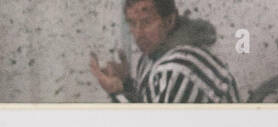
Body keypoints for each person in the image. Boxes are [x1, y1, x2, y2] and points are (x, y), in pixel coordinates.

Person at [89, 0, 240, 104]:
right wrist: (125, 84)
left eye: (146, 22)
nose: (138, 33)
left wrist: (117, 92)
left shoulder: (179, 67)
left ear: (169, 21)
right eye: (132, 23)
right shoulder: (150, 57)